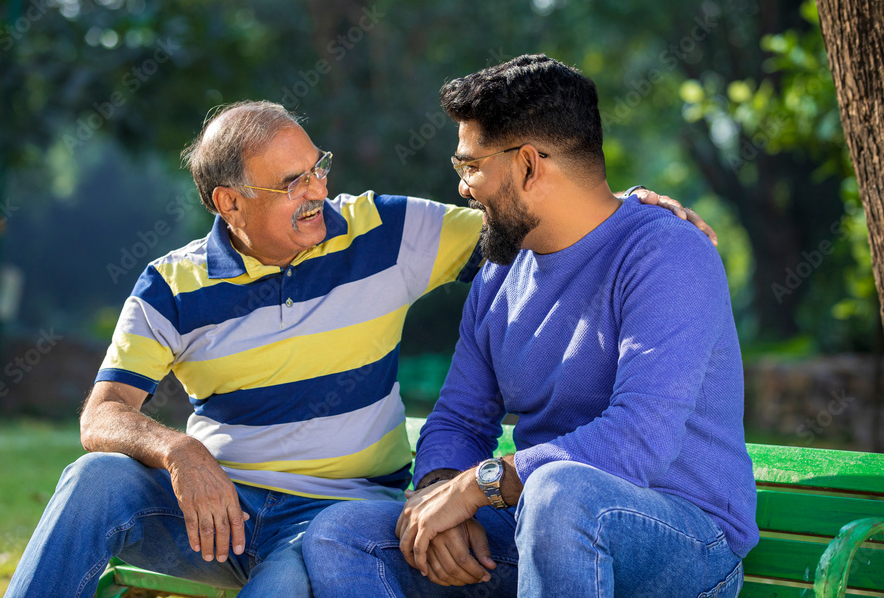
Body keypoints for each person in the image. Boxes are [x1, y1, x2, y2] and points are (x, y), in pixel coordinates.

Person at [5, 99, 714, 597]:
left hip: (336, 514)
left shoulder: (385, 231)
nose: (320, 191)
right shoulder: (172, 283)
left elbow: (535, 221)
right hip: (217, 511)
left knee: (300, 572)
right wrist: (179, 452)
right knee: (91, 478)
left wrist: (621, 205)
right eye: (293, 183)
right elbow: (101, 415)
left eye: (319, 167)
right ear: (229, 203)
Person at [302, 55, 759, 598]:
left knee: (559, 493)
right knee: (340, 535)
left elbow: (640, 439)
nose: (464, 188)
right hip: (535, 524)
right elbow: (459, 418)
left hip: (682, 541)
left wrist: (481, 486)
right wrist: (441, 490)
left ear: (526, 166)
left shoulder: (667, 256)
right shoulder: (499, 273)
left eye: (470, 166)